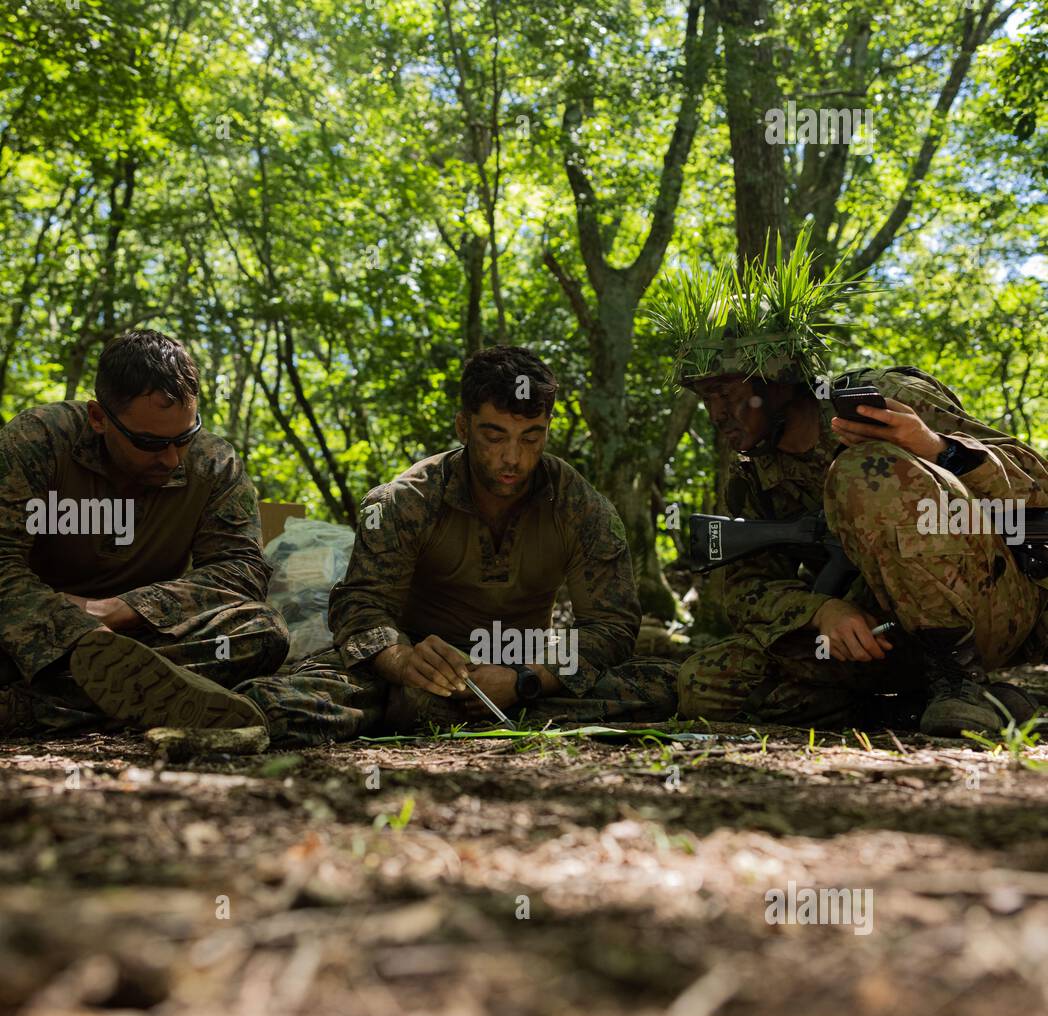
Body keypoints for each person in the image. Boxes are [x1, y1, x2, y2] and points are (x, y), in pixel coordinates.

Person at [656, 235, 1048, 736]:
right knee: (707, 684)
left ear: (776, 379)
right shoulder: (754, 476)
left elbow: (1037, 492)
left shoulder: (884, 401)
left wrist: (937, 449)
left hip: (993, 609)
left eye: (725, 392)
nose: (715, 414)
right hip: (884, 635)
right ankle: (930, 709)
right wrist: (821, 612)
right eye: (704, 398)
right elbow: (748, 589)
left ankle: (961, 684)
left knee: (863, 473)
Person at [239, 346, 679, 743]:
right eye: (495, 436)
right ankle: (383, 708)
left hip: (524, 669)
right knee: (287, 700)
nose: (514, 458)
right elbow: (360, 608)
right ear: (464, 427)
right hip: (420, 666)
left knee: (668, 686)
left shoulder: (579, 506)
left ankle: (413, 714)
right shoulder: (407, 501)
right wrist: (401, 659)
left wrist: (526, 678)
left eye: (531, 437)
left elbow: (612, 626)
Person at [0, 329, 288, 736]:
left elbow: (240, 571)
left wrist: (119, 610)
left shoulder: (214, 465)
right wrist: (72, 631)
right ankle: (86, 702)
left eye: (184, 437)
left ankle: (26, 708)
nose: (171, 459)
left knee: (260, 631)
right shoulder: (39, 441)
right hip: (27, 633)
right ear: (99, 418)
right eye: (148, 442)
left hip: (144, 638)